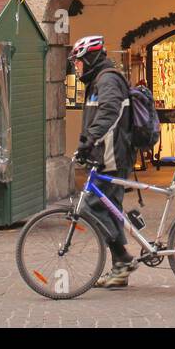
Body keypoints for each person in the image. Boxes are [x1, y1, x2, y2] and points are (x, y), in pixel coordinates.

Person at [70, 34, 136, 289]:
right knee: (109, 208)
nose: (76, 67)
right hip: (106, 153)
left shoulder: (107, 79)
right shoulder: (99, 79)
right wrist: (86, 144)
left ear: (90, 58)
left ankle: (123, 259)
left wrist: (90, 140)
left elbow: (109, 111)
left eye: (78, 61)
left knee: (90, 206)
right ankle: (120, 267)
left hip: (110, 154)